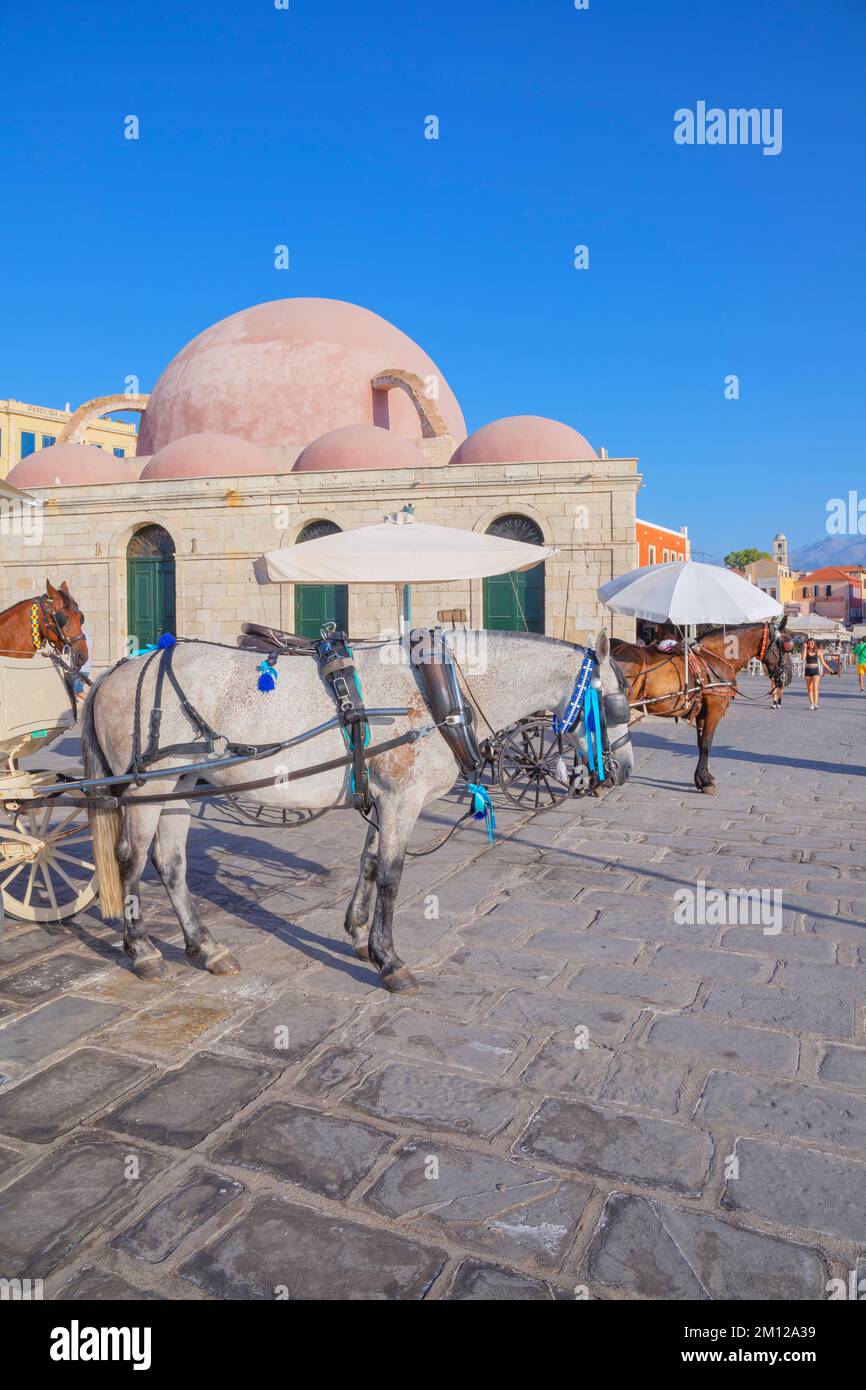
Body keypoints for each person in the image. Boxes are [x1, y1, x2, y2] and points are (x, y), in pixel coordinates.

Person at [803, 637, 837, 709]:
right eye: (809, 643)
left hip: (815, 670)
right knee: (809, 688)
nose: (811, 644)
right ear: (807, 644)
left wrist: (831, 670)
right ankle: (811, 704)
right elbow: (802, 658)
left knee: (815, 688)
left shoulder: (818, 651)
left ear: (814, 643)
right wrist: (805, 648)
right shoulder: (806, 650)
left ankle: (815, 704)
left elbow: (823, 663)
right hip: (807, 671)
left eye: (812, 643)